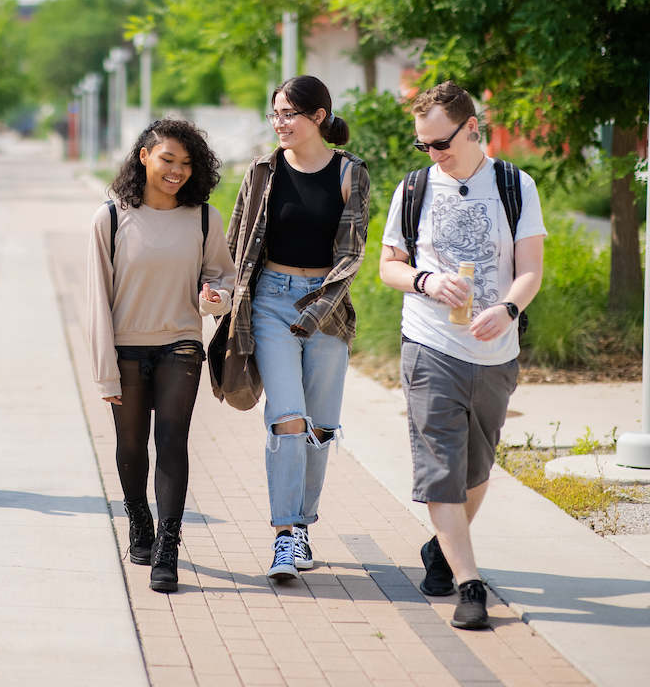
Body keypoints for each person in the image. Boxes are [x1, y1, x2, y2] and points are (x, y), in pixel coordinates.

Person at [379, 81, 545, 629]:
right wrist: (425, 281)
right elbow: (389, 266)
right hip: (429, 345)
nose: (432, 154)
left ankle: (440, 548)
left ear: (473, 128)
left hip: (495, 350)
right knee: (440, 467)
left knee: (476, 469)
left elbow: (529, 271)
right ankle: (470, 584)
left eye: (441, 143)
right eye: (422, 144)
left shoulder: (515, 186)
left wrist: (508, 309)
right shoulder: (414, 189)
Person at [226, 75, 371, 581]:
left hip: (328, 308)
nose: (280, 123)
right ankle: (286, 535)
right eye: (275, 114)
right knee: (287, 417)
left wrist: (315, 312)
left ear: (319, 117)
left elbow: (351, 256)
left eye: (289, 113)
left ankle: (305, 524)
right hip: (270, 302)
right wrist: (220, 294)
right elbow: (236, 241)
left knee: (320, 427)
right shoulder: (262, 173)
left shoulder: (351, 174)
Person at [86, 118, 236, 593]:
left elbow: (223, 278)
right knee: (131, 446)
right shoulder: (109, 218)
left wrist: (217, 299)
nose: (177, 171)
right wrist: (104, 372)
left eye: (187, 163)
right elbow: (97, 300)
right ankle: (139, 522)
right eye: (167, 159)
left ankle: (167, 548)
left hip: (180, 344)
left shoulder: (205, 217)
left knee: (172, 440)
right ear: (144, 156)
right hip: (127, 347)